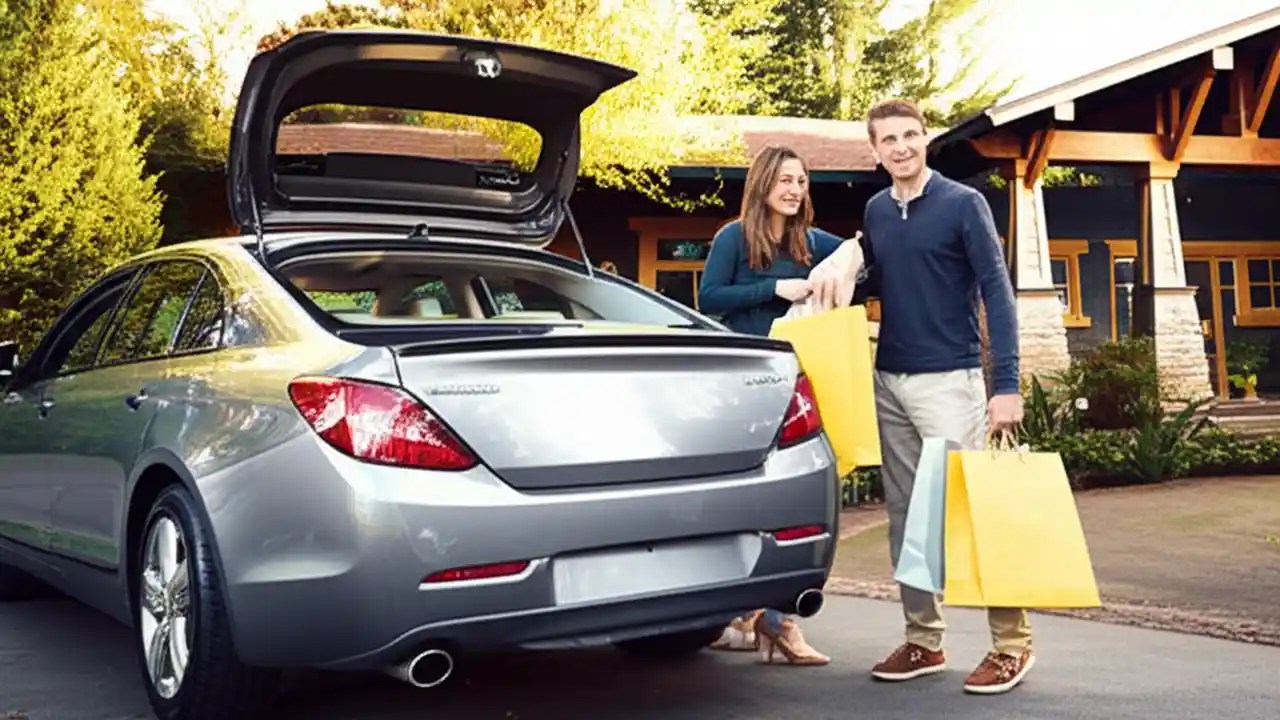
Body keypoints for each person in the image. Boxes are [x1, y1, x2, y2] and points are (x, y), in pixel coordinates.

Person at [855, 98, 1033, 695]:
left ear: (925, 139)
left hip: (951, 381)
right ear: (875, 151)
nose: (901, 147)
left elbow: (998, 293)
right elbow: (883, 276)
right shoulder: (877, 211)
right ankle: (924, 640)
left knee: (970, 513)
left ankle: (1012, 643)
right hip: (890, 380)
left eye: (910, 135)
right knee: (908, 518)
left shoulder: (964, 204)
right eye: (889, 140)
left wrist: (1005, 384)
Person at [697, 144, 850, 666]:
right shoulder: (733, 237)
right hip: (744, 386)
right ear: (763, 183)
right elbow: (710, 297)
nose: (794, 189)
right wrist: (774, 288)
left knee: (794, 502)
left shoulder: (813, 242)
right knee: (743, 502)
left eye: (802, 181)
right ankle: (748, 616)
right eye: (785, 179)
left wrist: (849, 263)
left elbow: (860, 253)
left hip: (798, 385)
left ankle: (774, 619)